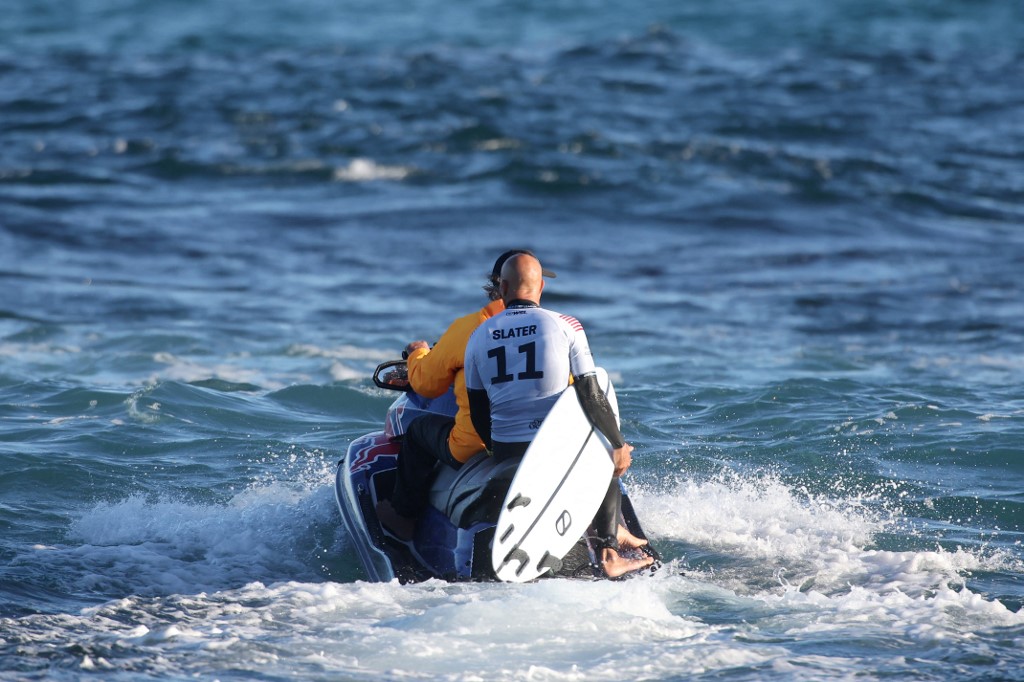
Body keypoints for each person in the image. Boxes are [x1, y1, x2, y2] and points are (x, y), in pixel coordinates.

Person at [464, 253, 654, 578]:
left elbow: (478, 409)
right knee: (602, 451)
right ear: (540, 287)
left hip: (508, 447)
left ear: (504, 286)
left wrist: (495, 450)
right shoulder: (565, 324)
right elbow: (591, 394)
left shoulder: (478, 336)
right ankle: (610, 551)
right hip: (553, 447)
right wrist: (618, 444)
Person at [376, 249, 556, 541]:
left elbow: (427, 384)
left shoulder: (472, 328)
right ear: (538, 287)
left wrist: (418, 353)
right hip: (542, 437)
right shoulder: (556, 327)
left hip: (479, 443)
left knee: (418, 431)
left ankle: (403, 518)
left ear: (499, 286)